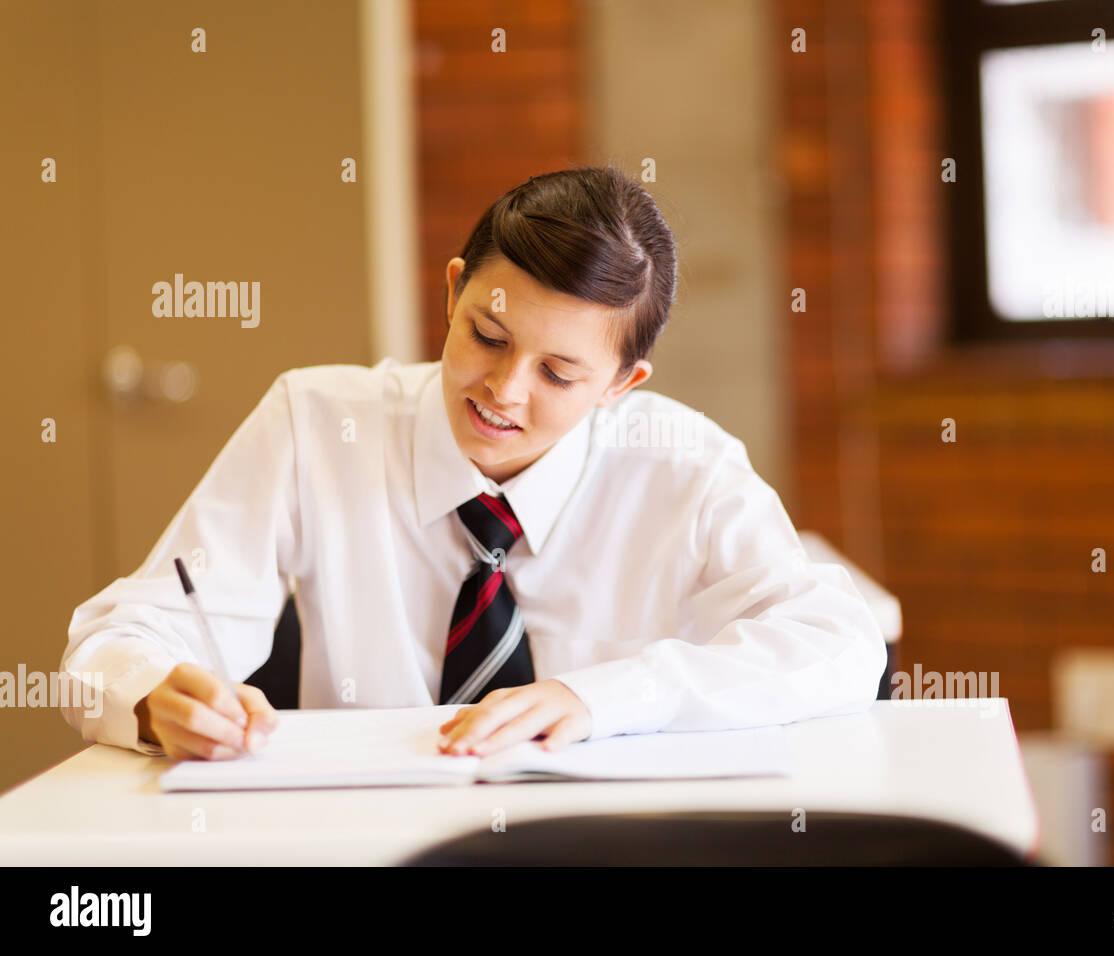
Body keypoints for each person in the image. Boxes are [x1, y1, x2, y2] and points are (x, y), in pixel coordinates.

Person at [60, 164, 886, 762]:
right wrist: (151, 693)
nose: (503, 390)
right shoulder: (316, 423)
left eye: (559, 374)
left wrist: (603, 697)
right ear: (453, 291)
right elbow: (123, 632)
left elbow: (840, 642)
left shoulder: (685, 464)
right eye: (486, 336)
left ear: (621, 384)